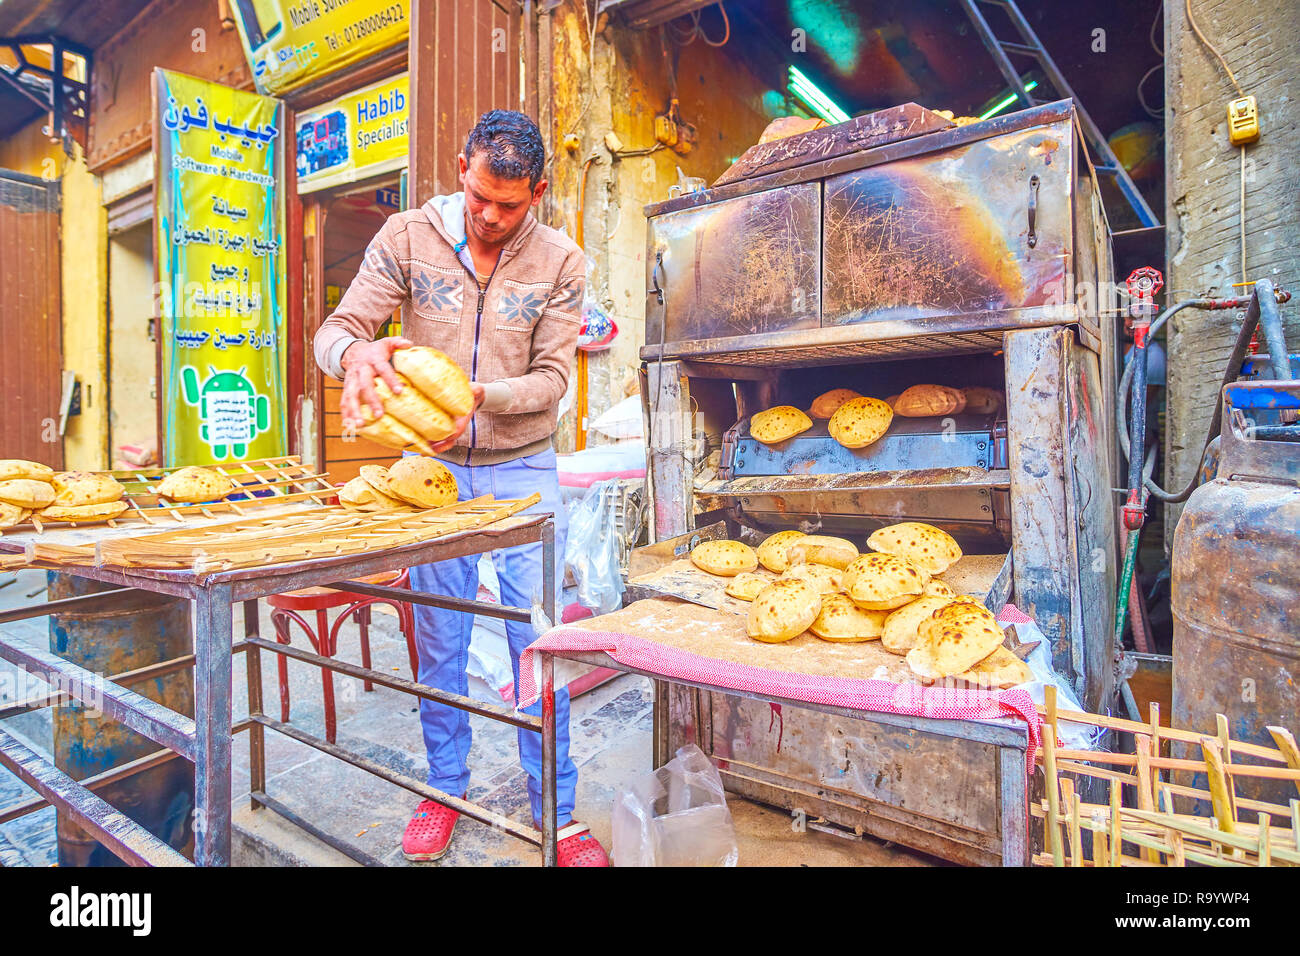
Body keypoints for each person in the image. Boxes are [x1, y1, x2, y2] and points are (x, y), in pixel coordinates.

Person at [313, 110, 608, 866]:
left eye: (509, 205)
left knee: (536, 641)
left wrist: (479, 399)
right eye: (478, 195)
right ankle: (444, 788)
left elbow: (551, 384)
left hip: (521, 469)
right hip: (432, 478)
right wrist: (357, 355)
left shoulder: (562, 261)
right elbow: (335, 329)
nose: (488, 215)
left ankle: (557, 812)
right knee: (438, 638)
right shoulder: (408, 236)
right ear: (461, 168)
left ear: (538, 191)